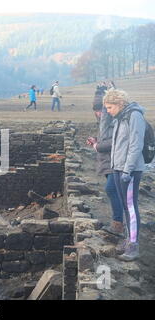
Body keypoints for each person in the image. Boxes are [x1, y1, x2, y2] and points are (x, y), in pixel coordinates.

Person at [104, 89, 147, 262]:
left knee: (130, 207)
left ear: (119, 103)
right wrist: (115, 167)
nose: (108, 111)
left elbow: (136, 145)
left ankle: (133, 245)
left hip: (129, 170)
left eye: (109, 107)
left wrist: (128, 170)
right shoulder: (120, 117)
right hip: (118, 168)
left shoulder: (134, 116)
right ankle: (128, 238)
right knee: (124, 205)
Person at [86, 86, 124, 237]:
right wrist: (96, 140)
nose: (99, 112)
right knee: (115, 191)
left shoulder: (113, 120)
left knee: (112, 189)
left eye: (101, 108)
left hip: (116, 161)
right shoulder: (105, 121)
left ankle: (118, 224)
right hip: (110, 162)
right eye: (97, 109)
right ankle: (119, 223)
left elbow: (115, 141)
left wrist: (97, 146)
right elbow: (107, 138)